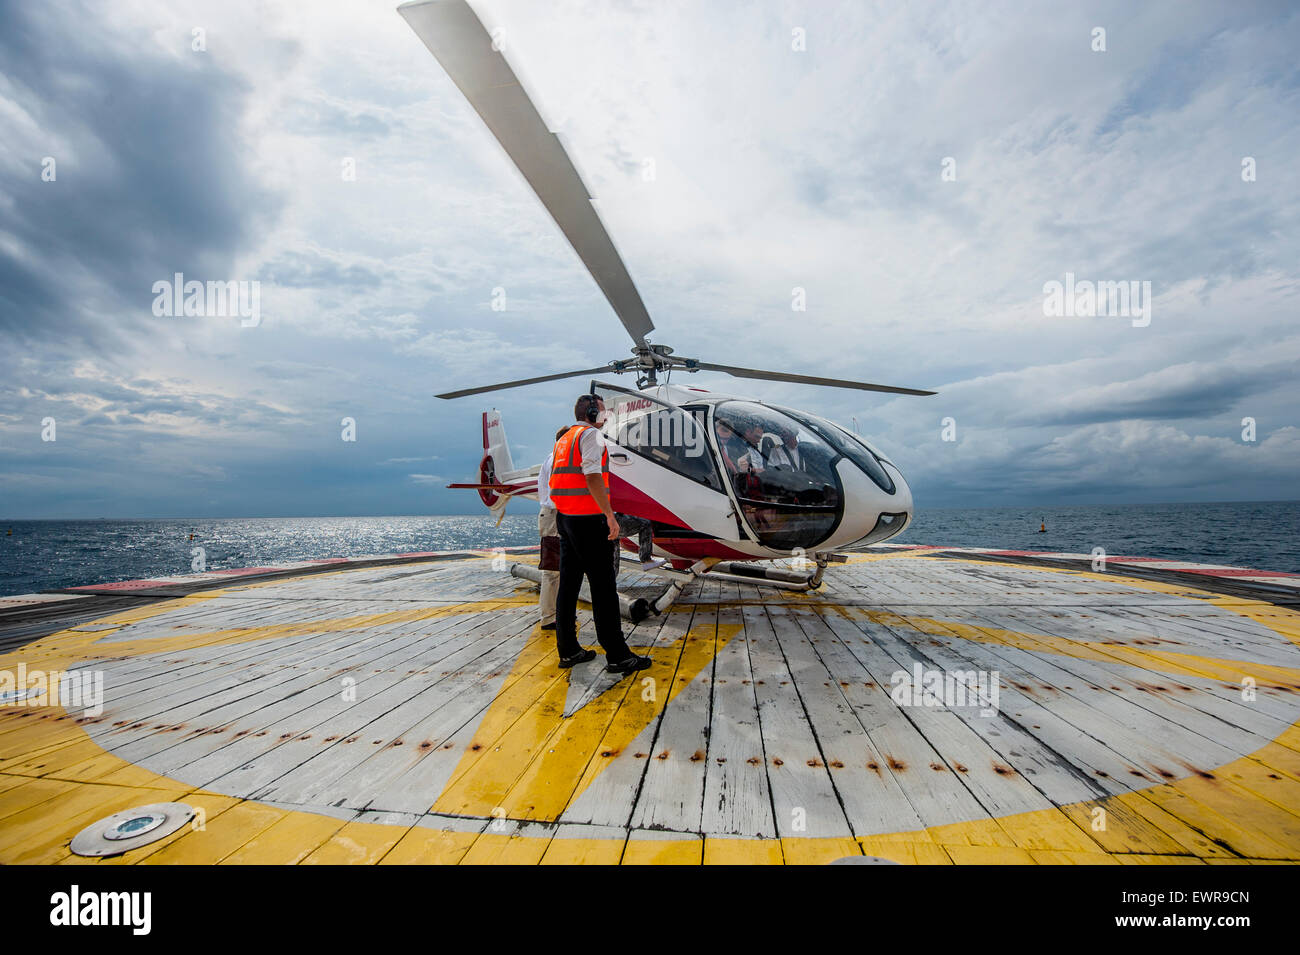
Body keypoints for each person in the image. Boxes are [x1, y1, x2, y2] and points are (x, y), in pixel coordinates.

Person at [549, 394, 652, 674]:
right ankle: (618, 656)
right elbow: (592, 475)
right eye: (604, 412)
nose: (607, 417)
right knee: (604, 588)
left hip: (566, 519)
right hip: (588, 520)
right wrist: (609, 514)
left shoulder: (565, 438)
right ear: (593, 412)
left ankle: (568, 650)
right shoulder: (592, 436)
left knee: (568, 588)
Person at [536, 426, 568, 630]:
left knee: (560, 569)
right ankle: (548, 618)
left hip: (553, 514)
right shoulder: (557, 459)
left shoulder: (551, 457)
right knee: (552, 570)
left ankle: (556, 614)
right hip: (554, 515)